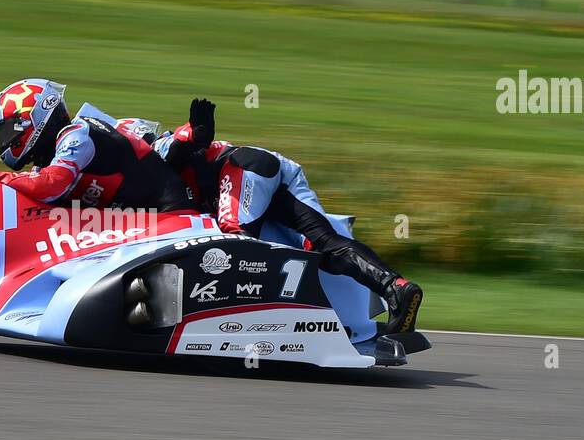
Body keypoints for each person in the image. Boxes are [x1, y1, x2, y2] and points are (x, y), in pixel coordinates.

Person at [149, 99, 424, 334]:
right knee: (322, 246)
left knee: (235, 237)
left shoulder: (158, 149)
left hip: (241, 168)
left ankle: (249, 321)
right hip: (280, 174)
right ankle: (396, 288)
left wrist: (197, 131)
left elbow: (181, 144)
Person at [0, 79, 196, 212]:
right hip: (134, 222)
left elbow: (51, 185)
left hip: (168, 214)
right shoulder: (48, 161)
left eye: (11, 130)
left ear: (37, 118)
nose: (7, 140)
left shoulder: (76, 134)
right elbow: (39, 186)